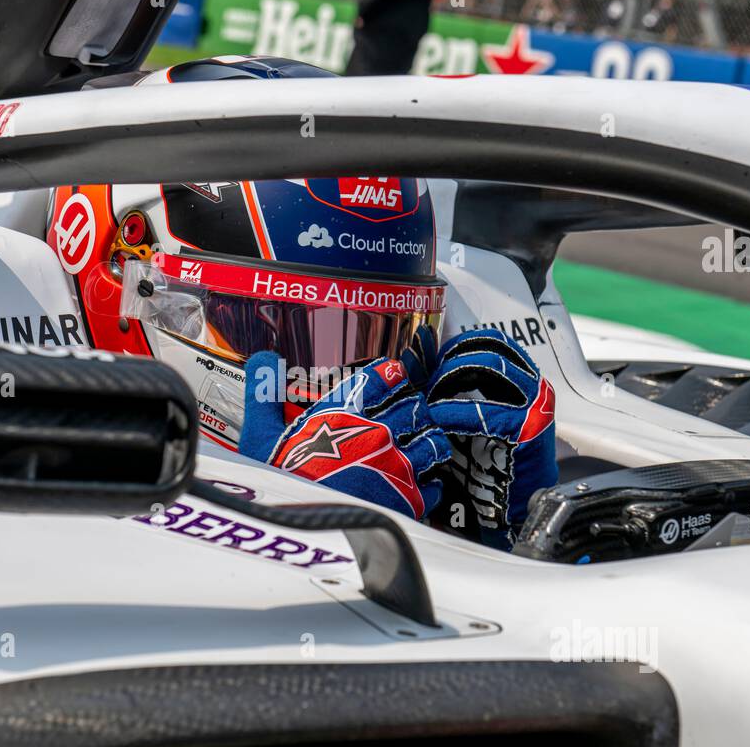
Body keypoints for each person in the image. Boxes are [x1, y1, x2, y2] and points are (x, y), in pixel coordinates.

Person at [46, 55, 558, 550]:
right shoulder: (29, 476)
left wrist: (500, 540)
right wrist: (279, 514)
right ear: (128, 272)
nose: (352, 387)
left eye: (385, 335)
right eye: (289, 330)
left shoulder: (407, 466)